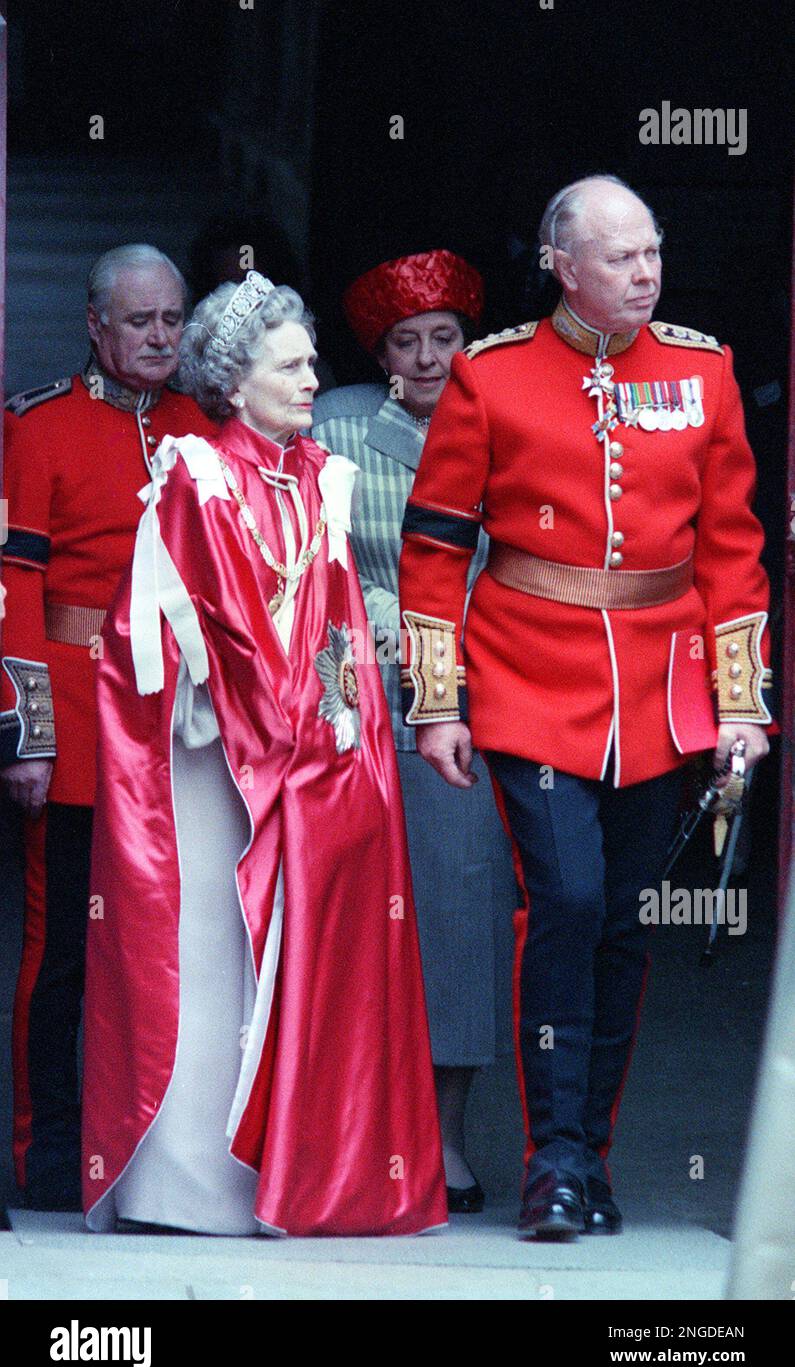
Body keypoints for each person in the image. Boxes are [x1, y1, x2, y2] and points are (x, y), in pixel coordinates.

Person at [398, 176, 772, 1239]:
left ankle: (589, 1158)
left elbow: (736, 555)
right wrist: (438, 703)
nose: (647, 273)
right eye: (622, 257)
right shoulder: (493, 372)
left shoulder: (704, 370)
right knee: (563, 901)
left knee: (618, 926)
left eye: (654, 253)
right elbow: (435, 548)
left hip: (662, 694)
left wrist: (740, 706)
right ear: (565, 266)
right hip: (526, 681)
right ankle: (552, 1163)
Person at [81, 272, 447, 1237]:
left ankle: (275, 1181)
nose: (310, 378)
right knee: (208, 961)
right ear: (233, 383)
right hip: (213, 765)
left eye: (312, 361)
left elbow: (336, 638)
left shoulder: (319, 474)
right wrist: (284, 737)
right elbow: (218, 629)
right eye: (290, 366)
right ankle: (184, 1193)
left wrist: (345, 742)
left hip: (294, 757)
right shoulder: (199, 477)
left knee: (277, 967)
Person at [0, 244, 212, 1211]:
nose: (161, 337)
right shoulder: (38, 426)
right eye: (140, 322)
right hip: (83, 728)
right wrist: (28, 734)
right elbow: (16, 591)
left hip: (181, 729)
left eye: (173, 319)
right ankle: (46, 1157)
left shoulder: (202, 425)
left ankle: (155, 1154)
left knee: (176, 949)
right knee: (66, 955)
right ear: (95, 324)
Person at [312, 250, 517, 1212]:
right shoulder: (334, 422)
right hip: (347, 698)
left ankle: (447, 1139)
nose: (429, 359)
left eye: (446, 338)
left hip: (469, 703)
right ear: (377, 348)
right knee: (339, 920)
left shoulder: (514, 415)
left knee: (457, 917)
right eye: (407, 341)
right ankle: (336, 1129)